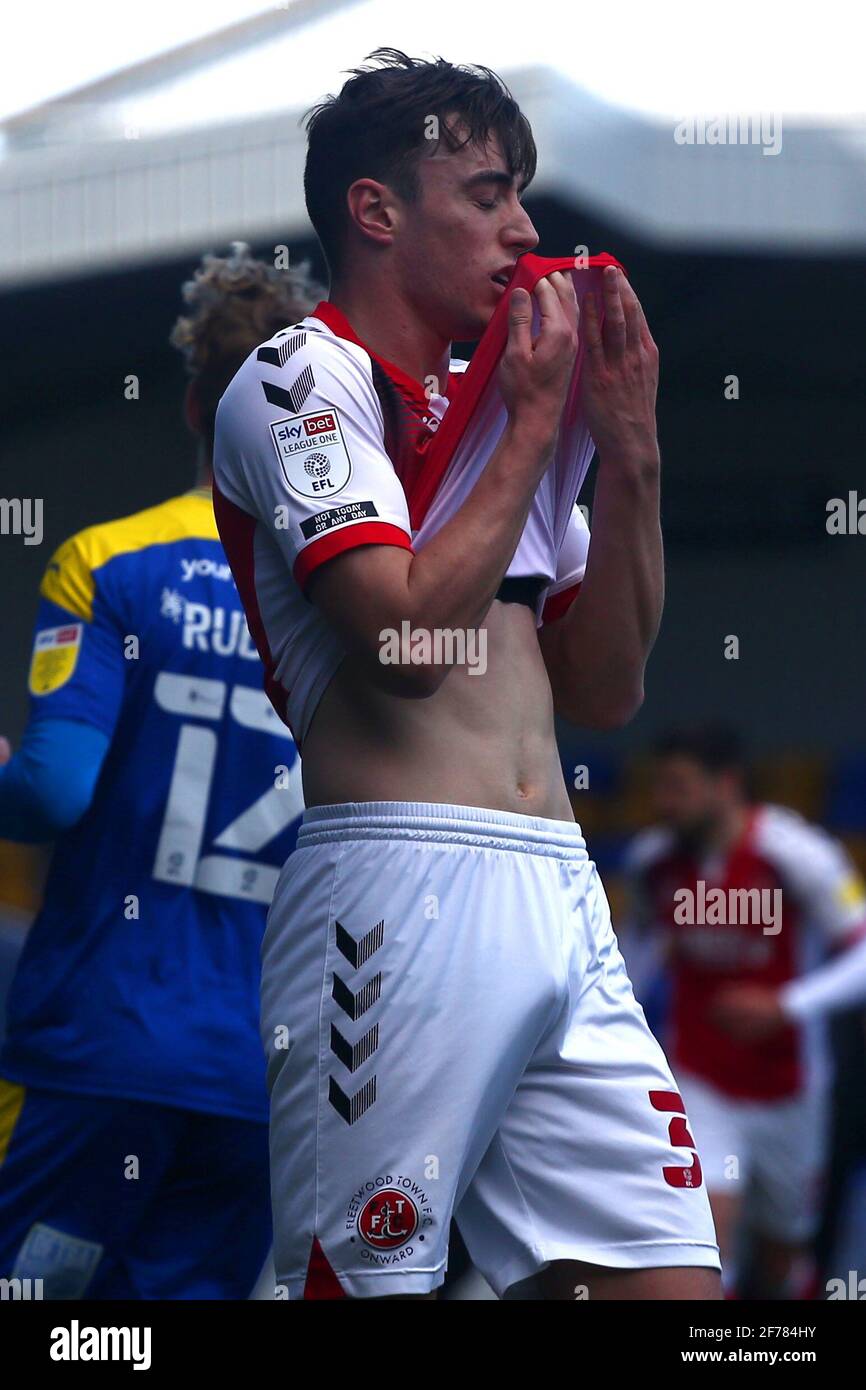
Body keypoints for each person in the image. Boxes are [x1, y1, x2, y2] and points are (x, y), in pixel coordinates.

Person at [214, 49, 721, 1301]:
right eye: (487, 195)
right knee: (361, 1283)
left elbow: (602, 690)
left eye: (521, 195)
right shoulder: (297, 378)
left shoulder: (511, 402)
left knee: (671, 1288)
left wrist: (632, 456)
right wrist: (540, 423)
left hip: (560, 889)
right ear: (374, 212)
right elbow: (401, 649)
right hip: (393, 889)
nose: (524, 228)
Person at [0, 245, 321, 1299]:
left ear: (193, 409)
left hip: (97, 1050)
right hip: (263, 1079)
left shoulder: (112, 560)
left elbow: (50, 791)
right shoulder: (351, 609)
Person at [623, 724, 866, 1298]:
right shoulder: (652, 862)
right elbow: (632, 960)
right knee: (709, 1232)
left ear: (725, 785)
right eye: (659, 788)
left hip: (790, 1089)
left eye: (678, 787)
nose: (663, 804)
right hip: (700, 1082)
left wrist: (787, 1005)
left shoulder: (798, 855)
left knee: (784, 1254)